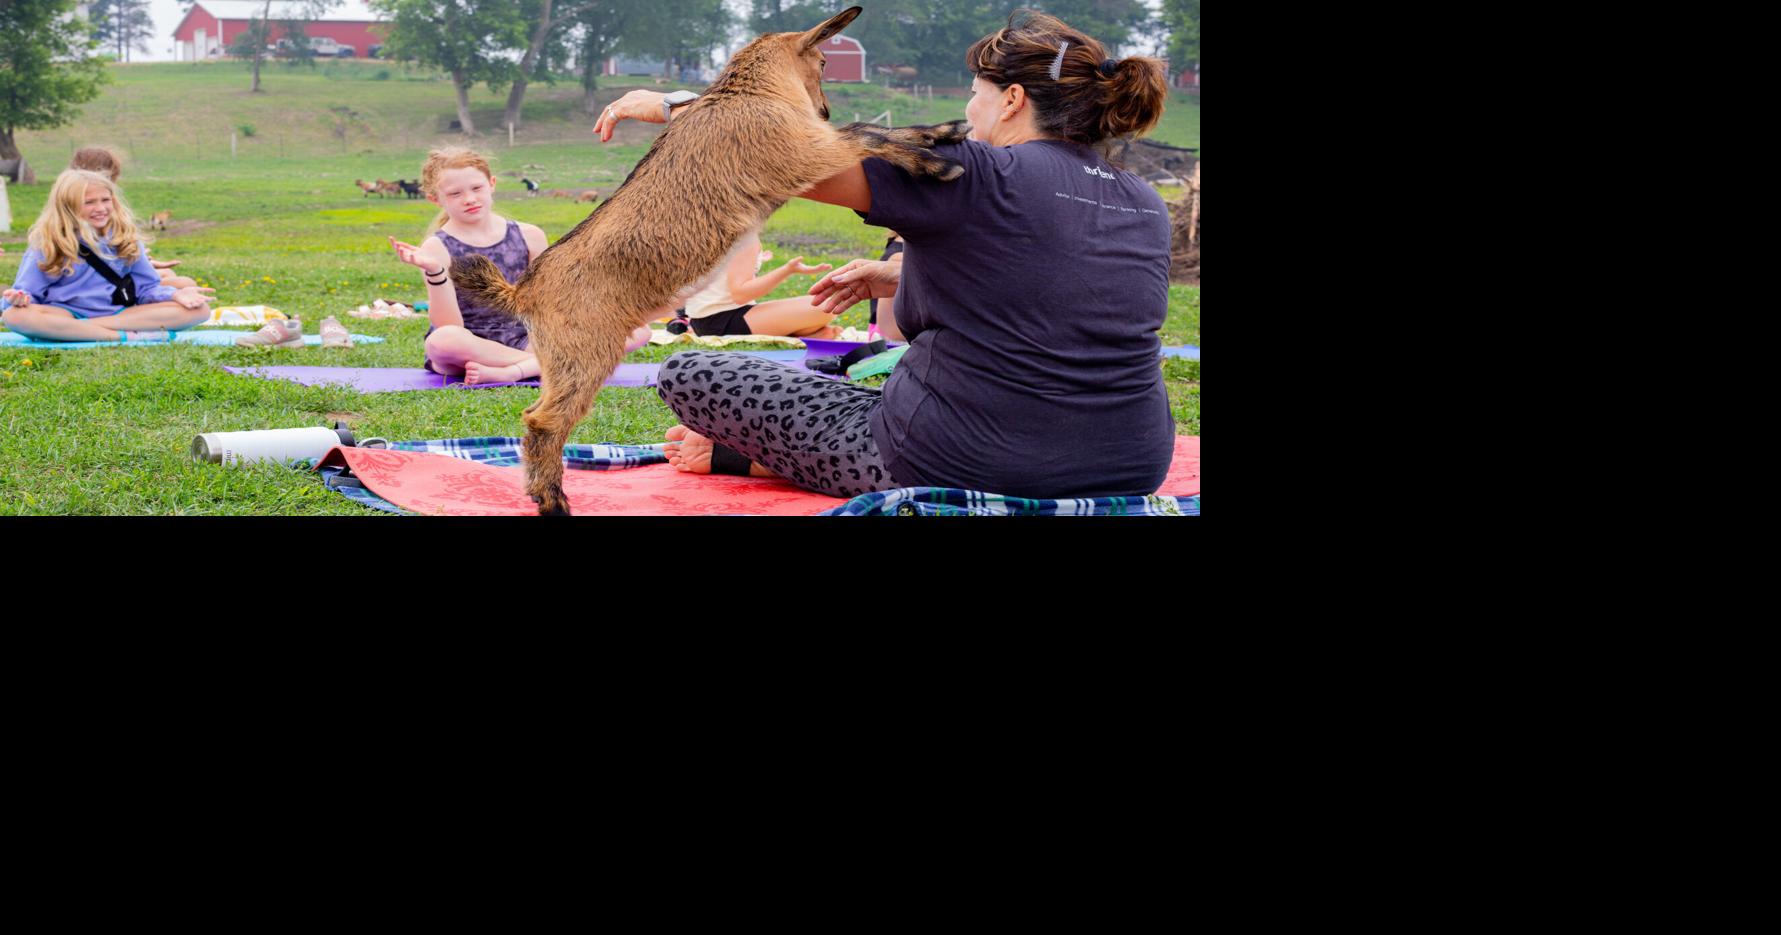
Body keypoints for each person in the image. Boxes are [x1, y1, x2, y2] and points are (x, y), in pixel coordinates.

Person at [595, 10, 1175, 500]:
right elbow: (1056, 280)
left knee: (691, 373)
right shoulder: (1144, 200)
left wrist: (672, 104)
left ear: (1012, 101)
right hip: (1130, 462)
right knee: (870, 383)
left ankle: (763, 461)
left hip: (970, 460)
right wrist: (900, 274)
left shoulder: (978, 174)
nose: (969, 113)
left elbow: (775, 154)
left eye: (976, 95)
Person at [388, 147, 651, 385]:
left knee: (637, 328)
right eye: (455, 193)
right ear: (436, 199)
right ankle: (559, 366)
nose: (469, 198)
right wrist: (435, 273)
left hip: (527, 340)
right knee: (441, 341)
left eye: (476, 188)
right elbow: (450, 326)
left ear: (491, 184)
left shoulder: (529, 235)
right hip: (468, 346)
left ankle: (517, 371)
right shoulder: (436, 248)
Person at [3, 169, 212, 342]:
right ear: (68, 207)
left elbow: (147, 288)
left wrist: (175, 295)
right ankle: (125, 338)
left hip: (119, 314)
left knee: (200, 311)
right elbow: (25, 294)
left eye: (105, 200)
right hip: (64, 312)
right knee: (15, 316)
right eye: (89, 202)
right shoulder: (47, 242)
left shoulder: (125, 237)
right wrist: (18, 300)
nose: (100, 208)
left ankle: (75, 330)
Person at [69, 146, 197, 290]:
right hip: (100, 284)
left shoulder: (72, 202)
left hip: (108, 273)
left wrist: (140, 259)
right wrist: (134, 261)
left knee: (168, 274)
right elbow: (93, 256)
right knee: (185, 284)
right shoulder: (96, 212)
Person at [680, 226, 836, 338]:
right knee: (826, 307)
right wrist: (788, 269)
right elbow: (740, 294)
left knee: (820, 306)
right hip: (722, 320)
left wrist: (756, 258)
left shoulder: (712, 227)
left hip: (704, 320)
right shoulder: (744, 237)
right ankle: (800, 333)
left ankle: (802, 334)